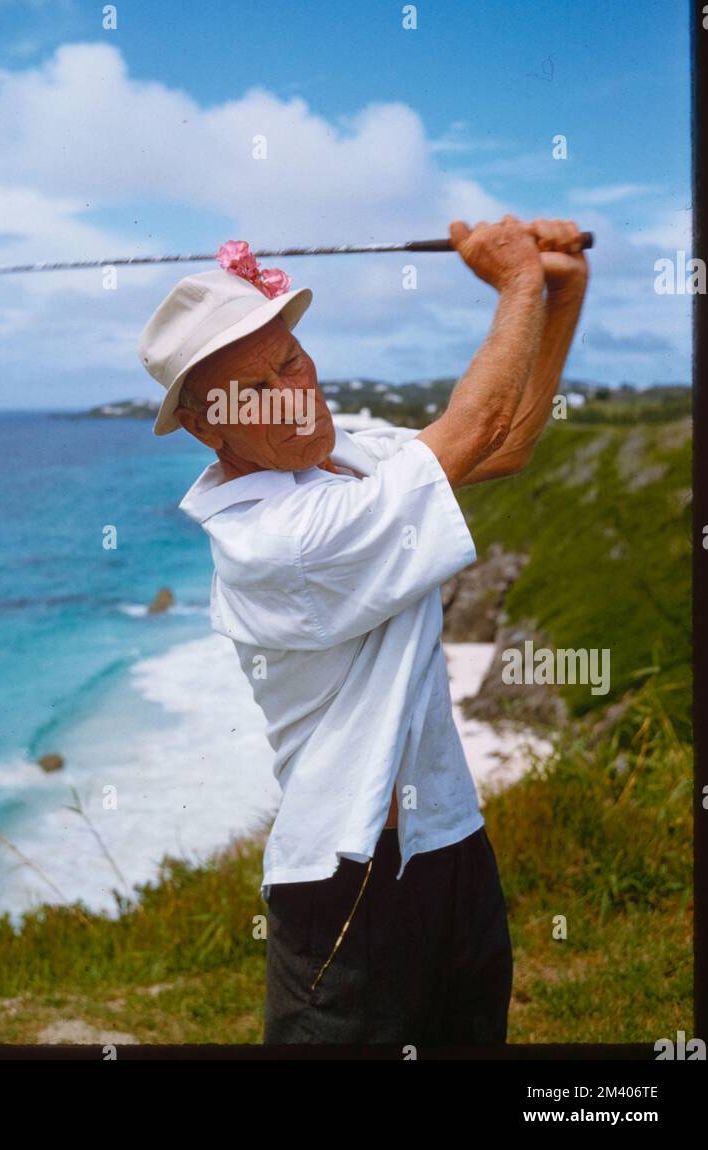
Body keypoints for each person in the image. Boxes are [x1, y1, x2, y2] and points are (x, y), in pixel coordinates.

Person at [137, 216, 588, 1045]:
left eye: (292, 360)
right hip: (348, 885)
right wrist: (519, 284)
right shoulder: (280, 540)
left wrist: (561, 294)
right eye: (256, 389)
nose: (296, 392)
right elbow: (473, 428)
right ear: (208, 428)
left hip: (449, 840)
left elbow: (506, 441)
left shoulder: (341, 455)